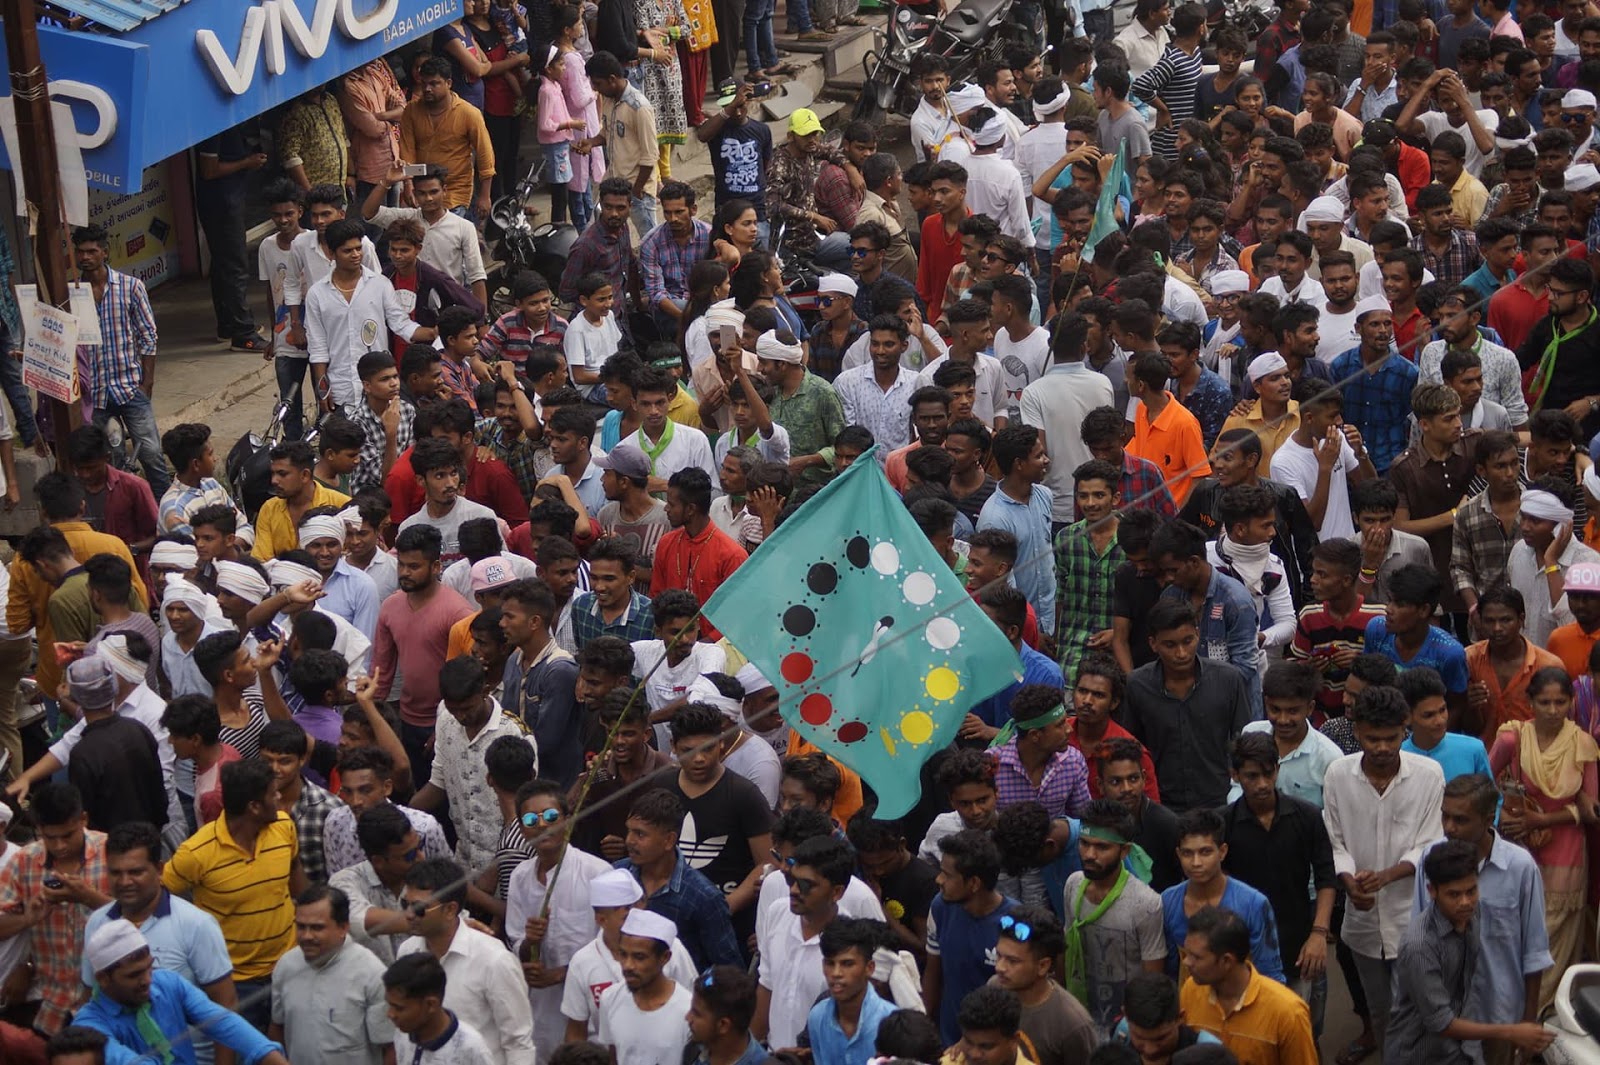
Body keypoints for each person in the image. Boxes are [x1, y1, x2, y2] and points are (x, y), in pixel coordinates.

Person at [1323, 685, 1446, 1047]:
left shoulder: (1429, 775)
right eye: (1371, 738)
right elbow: (1334, 840)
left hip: (1413, 916)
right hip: (1361, 922)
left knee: (1420, 1010)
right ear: (1356, 730)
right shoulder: (1337, 775)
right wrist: (1350, 882)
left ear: (1405, 729)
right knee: (1381, 1012)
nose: (1380, 747)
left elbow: (1431, 842)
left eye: (1390, 738)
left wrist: (1386, 877)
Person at [1412, 774, 1552, 1065]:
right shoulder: (1430, 860)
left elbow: (1534, 952)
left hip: (1499, 1015)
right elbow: (1419, 939)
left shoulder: (1520, 868)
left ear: (1489, 818)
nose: (1449, 828)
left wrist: (1528, 1022)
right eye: (1445, 817)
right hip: (1446, 1018)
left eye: (1460, 820)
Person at [164, 759, 306, 1031]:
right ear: (254, 806)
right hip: (234, 983)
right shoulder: (196, 853)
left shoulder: (284, 827)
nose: (279, 797)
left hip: (290, 968)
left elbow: (296, 878)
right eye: (272, 794)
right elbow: (159, 897)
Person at [1487, 667, 1598, 1006]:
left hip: (1565, 851)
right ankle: (1513, 1014)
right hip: (1520, 849)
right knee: (1516, 934)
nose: (1553, 710)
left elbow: (1591, 809)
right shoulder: (1512, 739)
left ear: (1570, 702)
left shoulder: (1582, 743)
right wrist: (1505, 815)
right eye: (1545, 702)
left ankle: (1535, 1015)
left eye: (1560, 702)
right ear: (1530, 701)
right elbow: (1483, 784)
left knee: (1553, 938)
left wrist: (1541, 819)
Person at [1388, 840, 1556, 1063]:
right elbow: (1442, 1023)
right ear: (1431, 891)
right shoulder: (1420, 946)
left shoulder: (1471, 917)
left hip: (1459, 1050)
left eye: (1471, 891)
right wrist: (1511, 1031)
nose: (1465, 902)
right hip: (1419, 1053)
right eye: (1454, 895)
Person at [1221, 732, 1336, 1020]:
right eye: (1251, 776)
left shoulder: (1307, 817)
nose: (1261, 784)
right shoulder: (1223, 824)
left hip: (1300, 946)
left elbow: (1326, 877)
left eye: (1267, 773)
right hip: (1245, 952)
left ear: (1278, 770)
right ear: (1235, 775)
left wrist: (1319, 934)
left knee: (1307, 1031)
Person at [75, 920, 291, 1065]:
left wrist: (270, 1055)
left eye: (150, 968)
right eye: (134, 975)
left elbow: (223, 1022)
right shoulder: (87, 1027)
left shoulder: (167, 984)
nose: (147, 980)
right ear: (103, 979)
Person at [504, 778, 612, 1060]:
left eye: (551, 816)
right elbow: (518, 946)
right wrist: (531, 941)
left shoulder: (598, 873)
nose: (542, 825)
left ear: (567, 819)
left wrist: (559, 974)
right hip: (541, 1011)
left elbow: (613, 949)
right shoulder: (520, 877)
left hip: (591, 1012)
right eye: (530, 819)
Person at [397, 857, 535, 1062]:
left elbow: (518, 1042)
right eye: (404, 904)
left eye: (418, 908)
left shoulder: (494, 960)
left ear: (450, 909)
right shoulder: (407, 952)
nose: (408, 915)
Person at [0, 783, 111, 1035]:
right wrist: (28, 919)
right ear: (38, 829)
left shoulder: (110, 851)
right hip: (49, 1006)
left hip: (104, 1004)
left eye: (68, 835)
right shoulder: (23, 862)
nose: (60, 846)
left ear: (83, 819)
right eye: (50, 838)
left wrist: (89, 898)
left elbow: (141, 916)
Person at [1123, 600, 1253, 813]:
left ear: (1198, 634)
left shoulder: (1228, 679)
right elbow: (1131, 748)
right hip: (1160, 805)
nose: (1182, 653)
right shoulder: (1137, 686)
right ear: (1153, 644)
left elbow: (1244, 742)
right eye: (1170, 645)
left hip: (1219, 802)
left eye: (1187, 641)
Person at [71, 226, 169, 498]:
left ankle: (166, 511)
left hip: (129, 387)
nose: (86, 257)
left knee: (151, 454)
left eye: (92, 251)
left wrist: (147, 382)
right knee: (111, 461)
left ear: (105, 252)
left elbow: (148, 335)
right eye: (81, 252)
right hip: (97, 395)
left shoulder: (130, 287)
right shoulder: (73, 294)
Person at [1060, 798, 1167, 1038]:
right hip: (1080, 1018)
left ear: (1125, 851)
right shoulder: (1073, 885)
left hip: (1124, 1027)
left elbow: (1152, 981)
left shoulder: (1146, 904)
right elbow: (1065, 947)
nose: (1089, 854)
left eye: (1102, 847)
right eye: (1084, 844)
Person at [615, 789, 742, 969]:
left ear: (669, 840)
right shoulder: (617, 876)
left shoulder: (703, 897)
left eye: (640, 834)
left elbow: (728, 971)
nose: (629, 841)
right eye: (629, 831)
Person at [267, 884, 393, 1065]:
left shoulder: (371, 973)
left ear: (343, 927)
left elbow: (389, 1047)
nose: (306, 936)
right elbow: (277, 1027)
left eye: (317, 928)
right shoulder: (286, 966)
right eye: (301, 927)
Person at [1178, 907, 1317, 1065]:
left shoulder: (1289, 1013)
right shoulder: (1190, 991)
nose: (1186, 962)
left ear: (1226, 961)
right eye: (1187, 954)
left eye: (1196, 957)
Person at [753, 835, 853, 1048]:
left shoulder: (851, 944)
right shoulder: (777, 913)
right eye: (792, 880)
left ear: (836, 892)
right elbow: (766, 987)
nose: (794, 890)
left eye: (807, 885)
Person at [990, 904, 1097, 1065]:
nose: (1000, 967)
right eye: (999, 956)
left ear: (1043, 966)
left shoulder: (1073, 1024)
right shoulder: (994, 989)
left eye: (1012, 961)